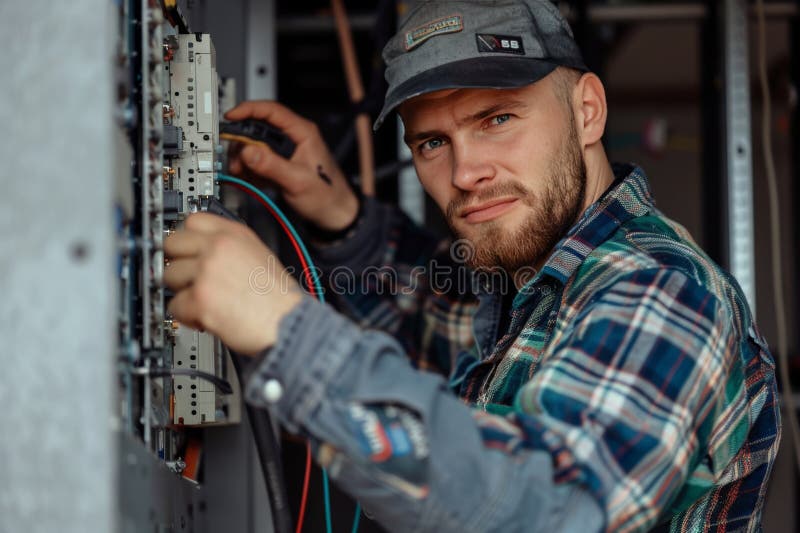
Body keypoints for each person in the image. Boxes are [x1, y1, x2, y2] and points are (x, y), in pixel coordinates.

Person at [163, 1, 780, 531]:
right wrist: (340, 214)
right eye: (433, 143)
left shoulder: (659, 291)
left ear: (587, 111)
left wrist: (287, 332)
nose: (465, 174)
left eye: (498, 119)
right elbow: (435, 324)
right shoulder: (536, 288)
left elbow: (551, 510)